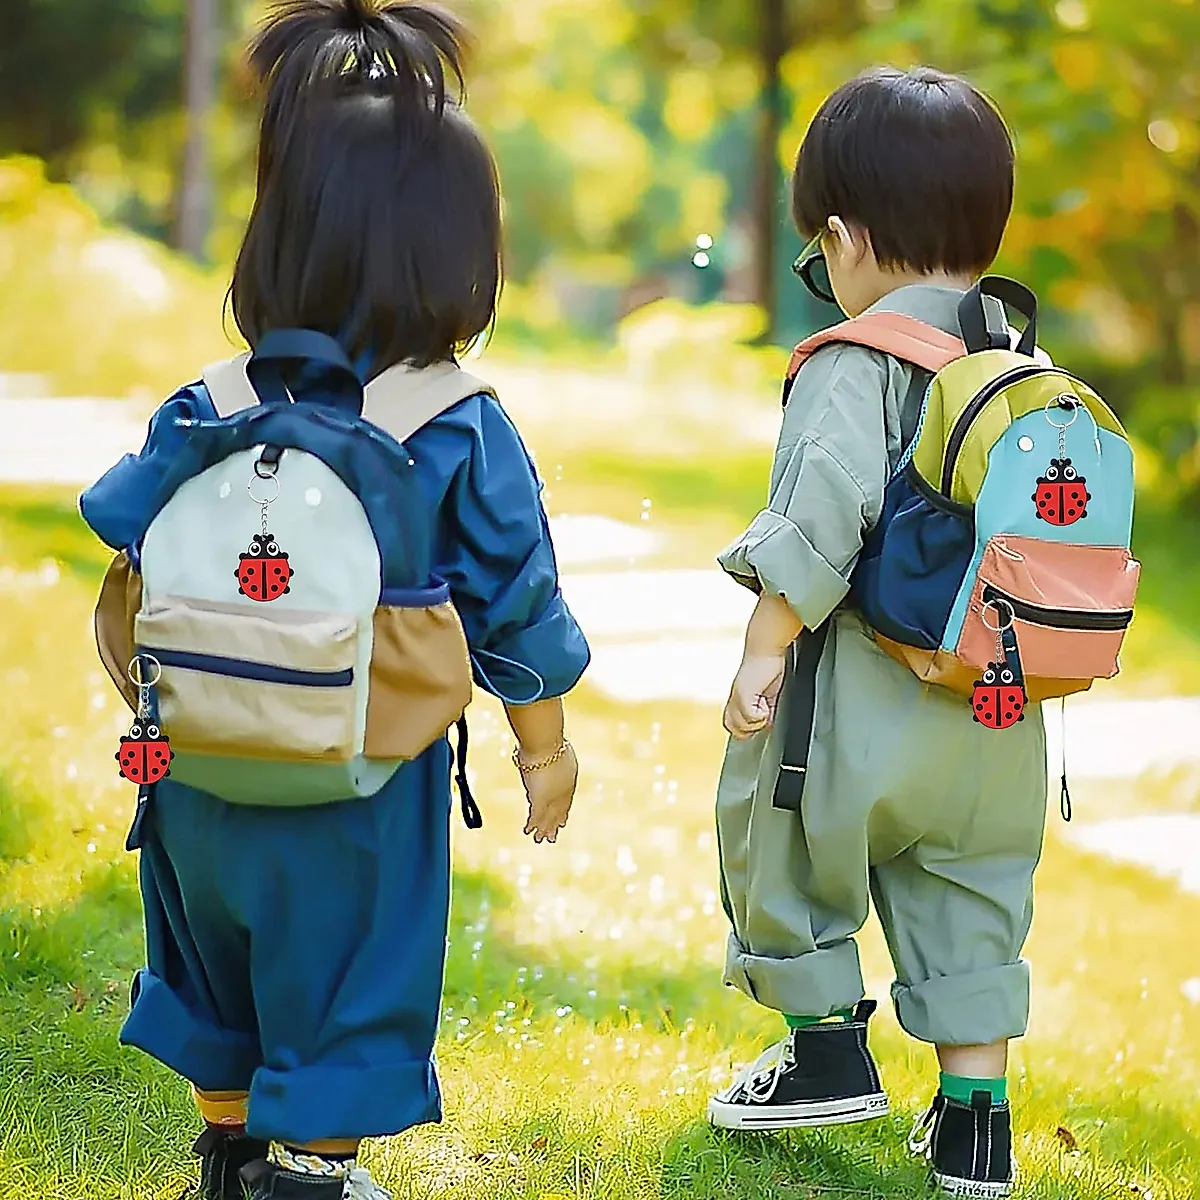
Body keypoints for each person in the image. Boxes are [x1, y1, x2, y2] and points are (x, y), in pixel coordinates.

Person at [79, 3, 588, 1198]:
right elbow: (516, 604)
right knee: (356, 966)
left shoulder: (209, 401)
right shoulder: (453, 422)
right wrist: (544, 748)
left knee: (214, 955)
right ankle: (313, 1170)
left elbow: (122, 537)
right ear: (458, 255)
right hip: (361, 771)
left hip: (197, 762)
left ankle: (229, 1139)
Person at [707, 68, 1046, 1198]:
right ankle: (975, 1124)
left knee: (778, 834)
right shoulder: (1028, 371)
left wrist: (763, 652)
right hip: (999, 713)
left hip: (861, 715)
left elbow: (818, 517)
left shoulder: (856, 362)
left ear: (845, 241)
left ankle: (824, 1051)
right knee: (973, 897)